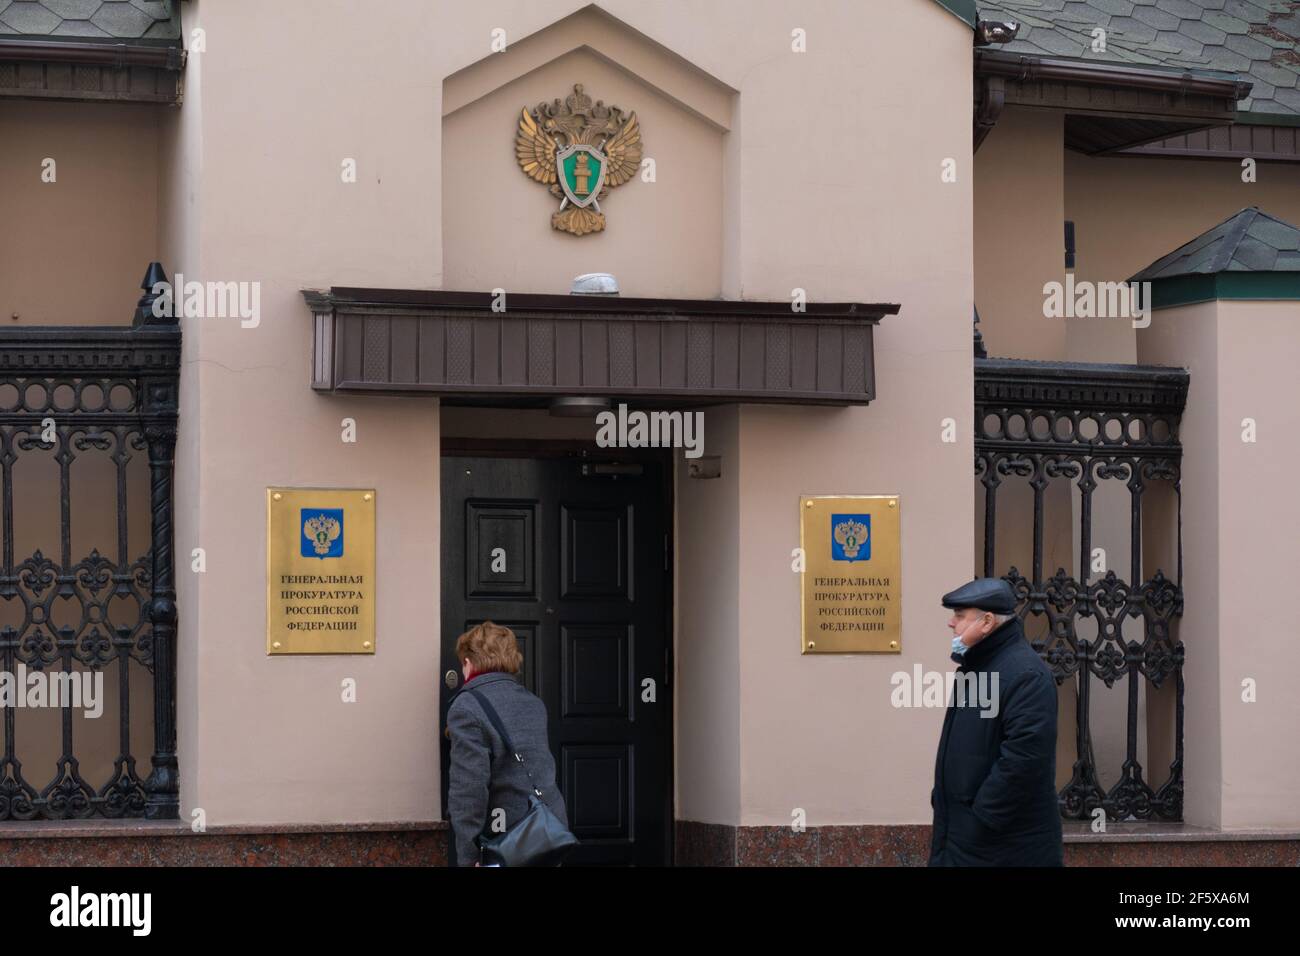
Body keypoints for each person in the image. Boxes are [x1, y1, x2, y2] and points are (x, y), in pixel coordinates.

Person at [928, 577, 1063, 866]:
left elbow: (1024, 759)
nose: (952, 623)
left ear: (987, 622)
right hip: (967, 839)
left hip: (1001, 845)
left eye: (960, 616)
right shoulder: (978, 667)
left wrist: (981, 817)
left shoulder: (1025, 675)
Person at [446, 621, 569, 866]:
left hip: (508, 841)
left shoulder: (467, 706)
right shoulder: (533, 702)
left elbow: (468, 791)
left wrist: (469, 856)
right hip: (548, 831)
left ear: (468, 664)